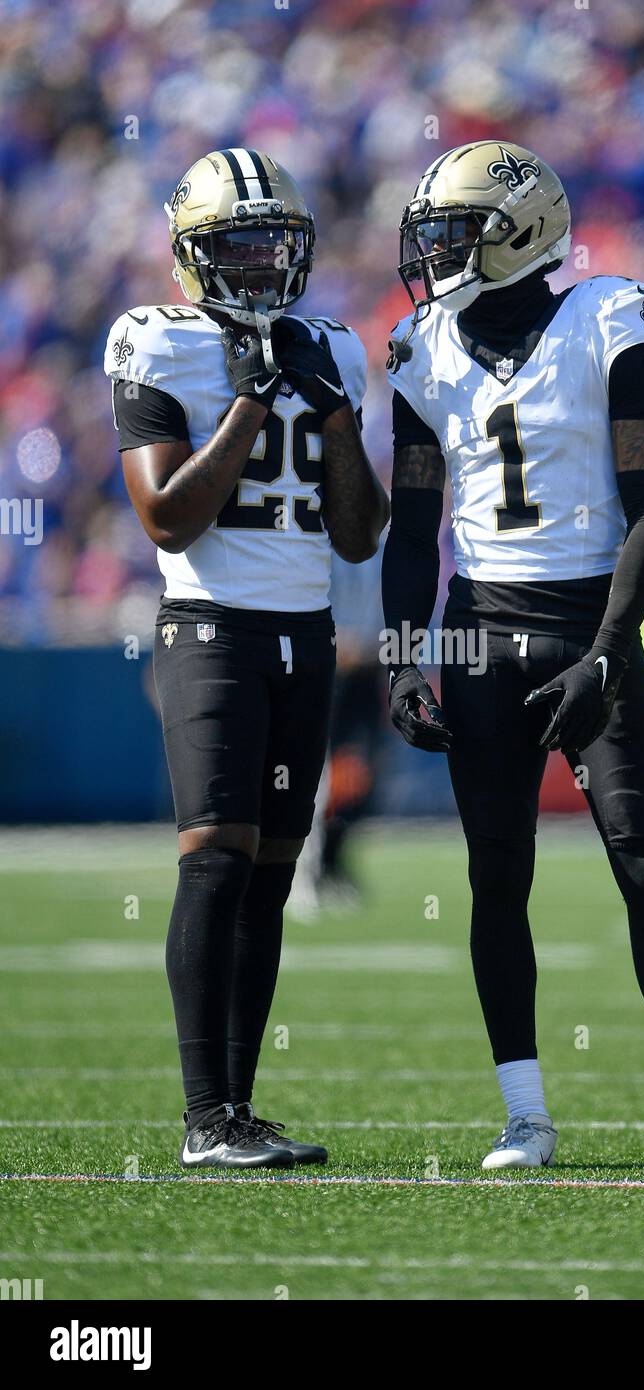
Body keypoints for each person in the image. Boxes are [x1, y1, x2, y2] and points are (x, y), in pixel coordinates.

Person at [382, 140, 644, 1175]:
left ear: (517, 234)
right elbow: (411, 525)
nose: (430, 254)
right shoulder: (420, 349)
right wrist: (400, 656)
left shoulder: (609, 322)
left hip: (587, 623)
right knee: (494, 877)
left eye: (452, 233)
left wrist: (608, 655)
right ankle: (523, 1116)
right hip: (477, 631)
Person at [105, 148, 388, 1169]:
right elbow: (167, 515)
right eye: (241, 244)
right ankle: (201, 1116)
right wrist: (257, 402)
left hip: (304, 635)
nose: (264, 263)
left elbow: (359, 533)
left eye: (276, 243)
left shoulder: (335, 349)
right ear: (192, 256)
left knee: (269, 877)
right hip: (211, 629)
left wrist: (338, 412)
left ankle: (237, 1110)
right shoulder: (153, 339)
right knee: (215, 862)